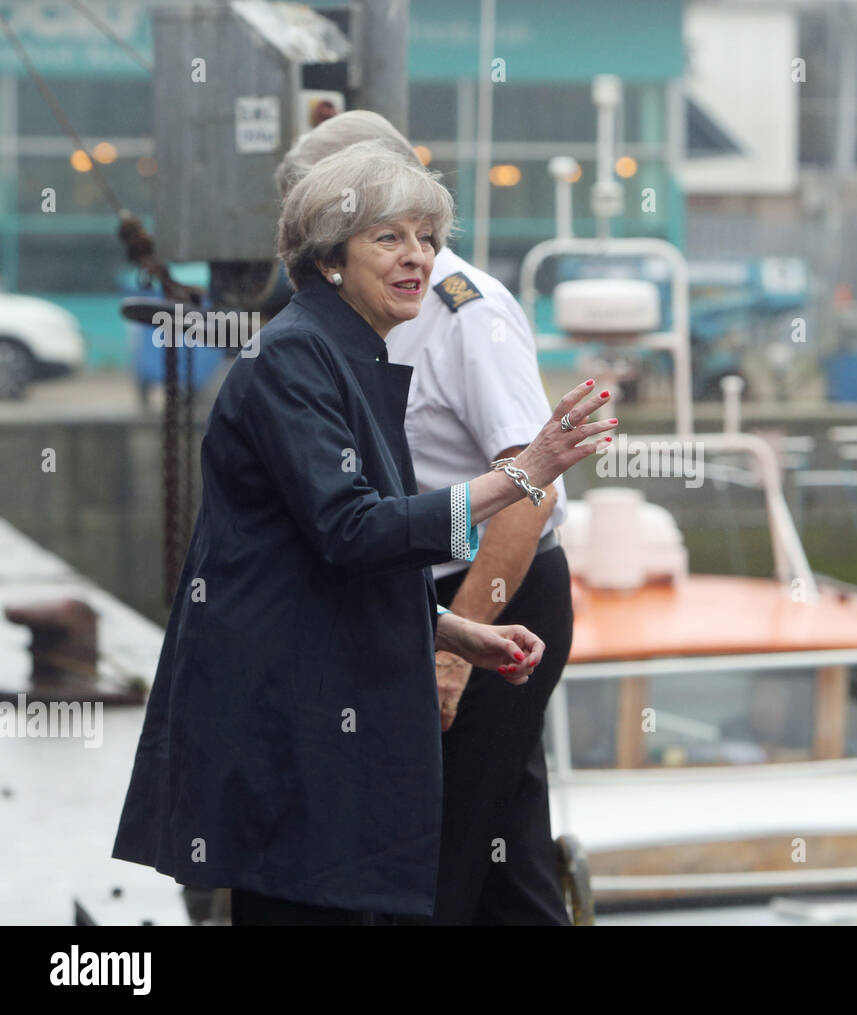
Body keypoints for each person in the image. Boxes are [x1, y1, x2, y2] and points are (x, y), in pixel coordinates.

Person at [111, 141, 617, 925]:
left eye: (425, 237)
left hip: (317, 684)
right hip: (285, 709)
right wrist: (526, 470)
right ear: (328, 258)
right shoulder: (298, 360)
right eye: (389, 238)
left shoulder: (345, 353)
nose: (416, 257)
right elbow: (351, 530)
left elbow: (324, 548)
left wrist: (448, 628)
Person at [276, 111, 586, 924]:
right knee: (502, 848)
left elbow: (530, 491)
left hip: (494, 589)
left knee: (442, 851)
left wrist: (455, 652)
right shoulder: (366, 318)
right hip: (431, 594)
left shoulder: (462, 309)